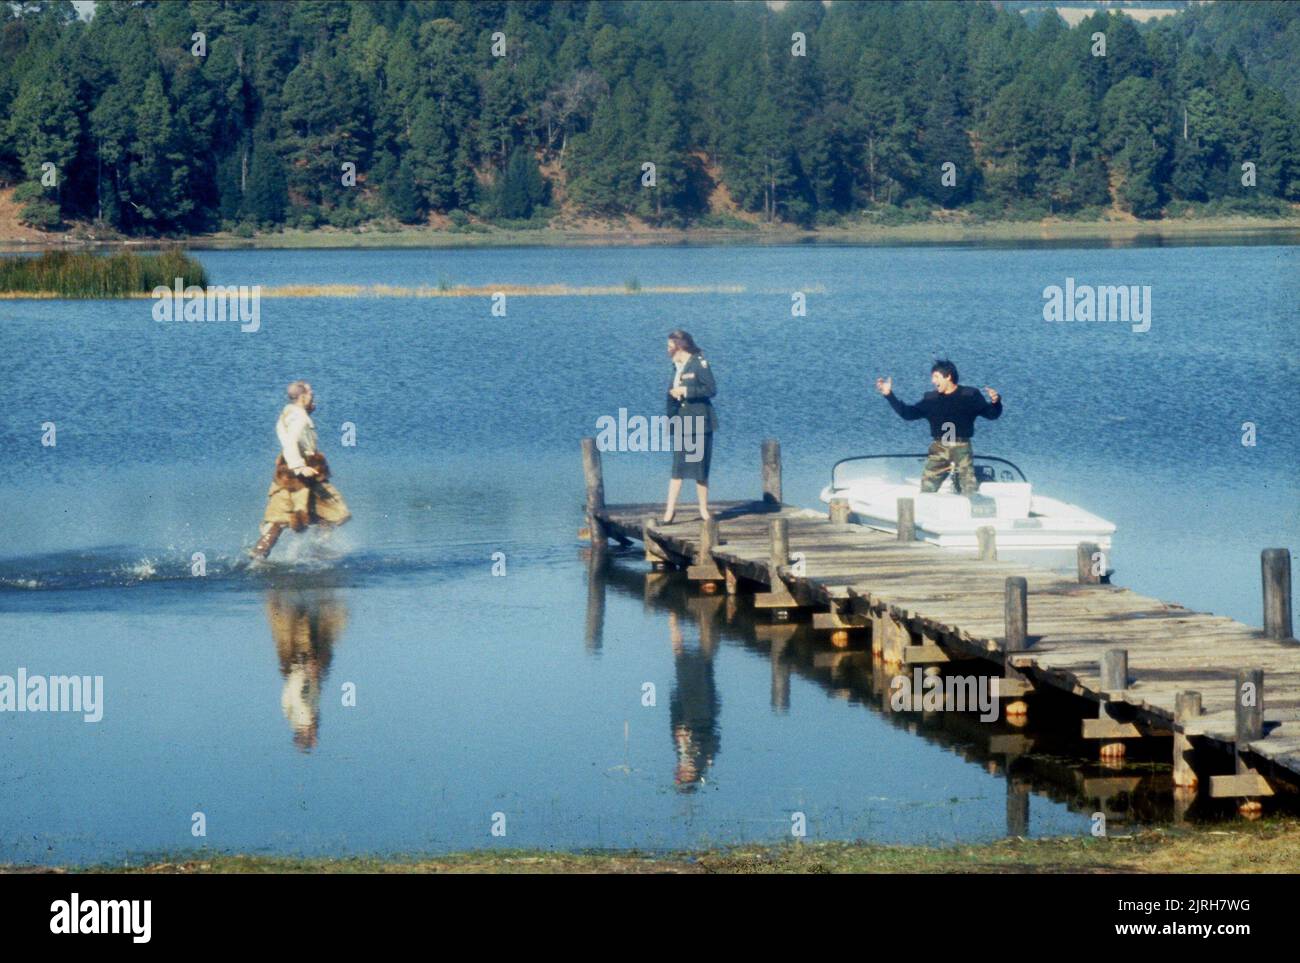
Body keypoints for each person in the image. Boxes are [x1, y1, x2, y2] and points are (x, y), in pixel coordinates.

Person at [249, 380, 351, 559]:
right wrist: (299, 466)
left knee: (279, 518)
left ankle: (258, 554)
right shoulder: (300, 417)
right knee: (333, 510)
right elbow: (290, 442)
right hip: (302, 475)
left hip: (285, 474)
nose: (313, 396)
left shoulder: (288, 413)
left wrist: (307, 412)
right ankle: (318, 549)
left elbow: (287, 437)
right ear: (303, 396)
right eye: (311, 394)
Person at [875, 360, 1002, 494]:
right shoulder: (931, 399)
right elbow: (907, 414)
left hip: (962, 449)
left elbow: (992, 414)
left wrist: (996, 402)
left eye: (936, 376)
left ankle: (972, 506)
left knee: (969, 488)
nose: (932, 381)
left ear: (948, 376)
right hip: (939, 450)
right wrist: (889, 394)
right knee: (926, 490)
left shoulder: (969, 395)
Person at [662, 329, 717, 523]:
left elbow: (711, 389)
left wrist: (686, 390)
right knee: (678, 468)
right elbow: (669, 395)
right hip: (681, 422)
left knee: (700, 469)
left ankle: (703, 510)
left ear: (680, 346)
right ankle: (669, 511)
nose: (667, 350)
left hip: (700, 423)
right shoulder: (675, 366)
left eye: (670, 346)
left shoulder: (699, 363)